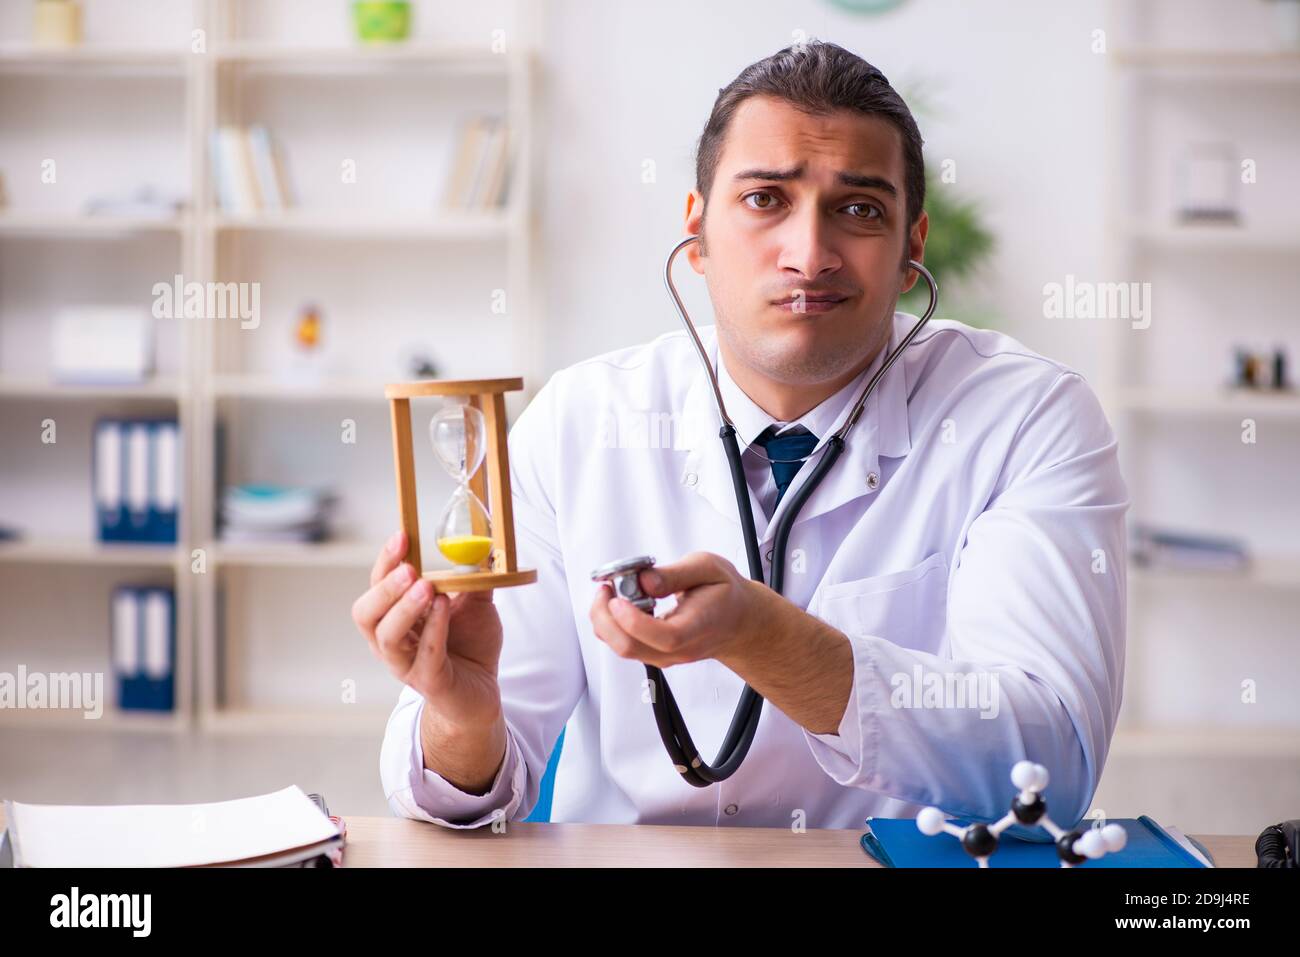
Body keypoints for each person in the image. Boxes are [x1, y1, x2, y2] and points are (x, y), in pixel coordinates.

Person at [352, 40, 1128, 830]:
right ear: (697, 234)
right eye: (765, 199)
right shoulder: (578, 422)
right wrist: (462, 716)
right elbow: (476, 789)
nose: (810, 254)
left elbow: (1049, 765)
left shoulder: (1026, 420)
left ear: (911, 250)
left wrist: (766, 637)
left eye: (859, 209)